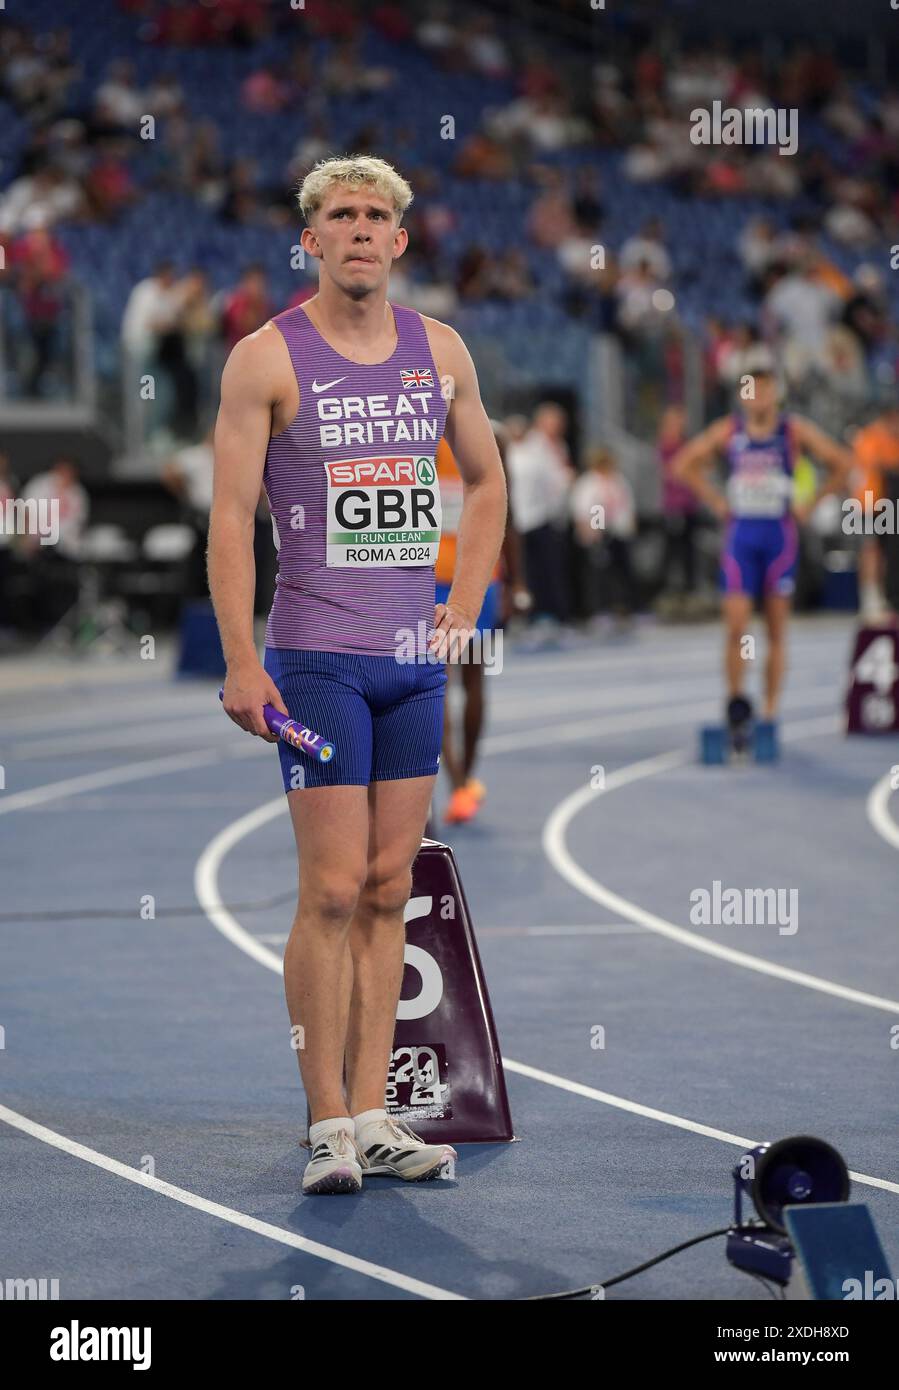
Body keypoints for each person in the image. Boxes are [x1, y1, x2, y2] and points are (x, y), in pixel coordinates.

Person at [208, 155, 507, 1196]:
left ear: (401, 240)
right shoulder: (264, 359)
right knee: (330, 887)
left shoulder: (441, 351)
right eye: (341, 215)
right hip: (316, 660)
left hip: (412, 666)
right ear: (312, 241)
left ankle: (376, 1112)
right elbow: (229, 522)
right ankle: (327, 1121)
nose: (361, 231)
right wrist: (243, 659)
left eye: (377, 216)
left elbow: (487, 479)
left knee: (390, 886)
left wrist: (461, 609)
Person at [671, 346, 852, 723]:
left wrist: (811, 502)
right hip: (742, 535)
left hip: (779, 536)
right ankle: (737, 701)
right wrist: (716, 501)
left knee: (775, 630)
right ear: (742, 395)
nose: (759, 397)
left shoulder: (793, 430)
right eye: (752, 389)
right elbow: (683, 464)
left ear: (776, 393)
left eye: (766, 389)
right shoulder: (729, 431)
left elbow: (841, 464)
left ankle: (769, 710)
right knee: (736, 625)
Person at [434, 424, 529, 824]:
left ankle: (456, 782)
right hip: (477, 578)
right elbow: (507, 512)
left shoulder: (412, 430)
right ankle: (464, 781)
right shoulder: (491, 437)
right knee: (472, 683)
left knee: (433, 684)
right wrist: (518, 582)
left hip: (427, 575)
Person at [570, 445, 637, 629]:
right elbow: (584, 509)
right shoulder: (589, 483)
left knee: (622, 572)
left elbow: (627, 505)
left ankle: (623, 607)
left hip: (618, 532)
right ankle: (598, 609)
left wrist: (629, 526)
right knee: (598, 574)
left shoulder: (618, 480)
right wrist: (591, 532)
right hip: (599, 532)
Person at [851, 400, 899, 621]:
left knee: (882, 552)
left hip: (884, 504)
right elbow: (880, 463)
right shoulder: (871, 437)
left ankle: (879, 595)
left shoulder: (889, 439)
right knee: (869, 550)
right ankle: (869, 596)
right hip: (867, 503)